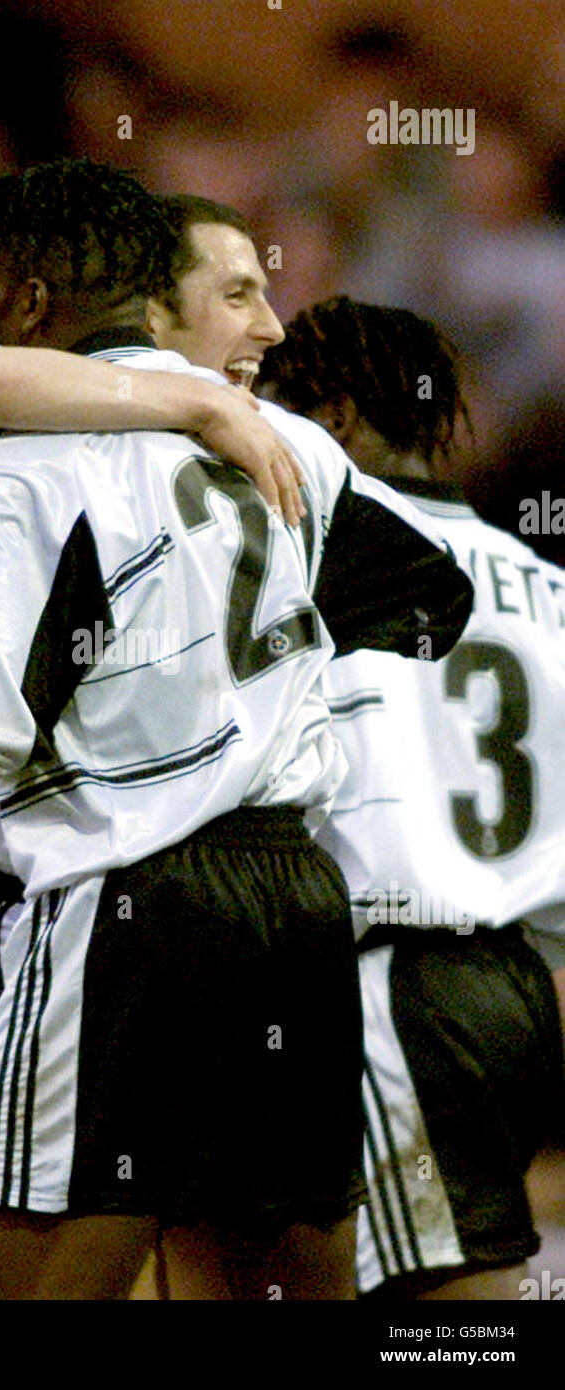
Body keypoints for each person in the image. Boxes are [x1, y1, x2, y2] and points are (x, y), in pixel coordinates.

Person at [0, 168, 473, 1299]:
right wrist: (249, 674)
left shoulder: (7, 451)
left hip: (118, 895)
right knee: (286, 1285)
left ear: (27, 301)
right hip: (291, 902)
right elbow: (431, 601)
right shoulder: (291, 447)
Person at [258, 295, 565, 1300]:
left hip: (398, 985)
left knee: (448, 1315)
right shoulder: (544, 584)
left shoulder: (311, 564)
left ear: (334, 419)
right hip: (521, 985)